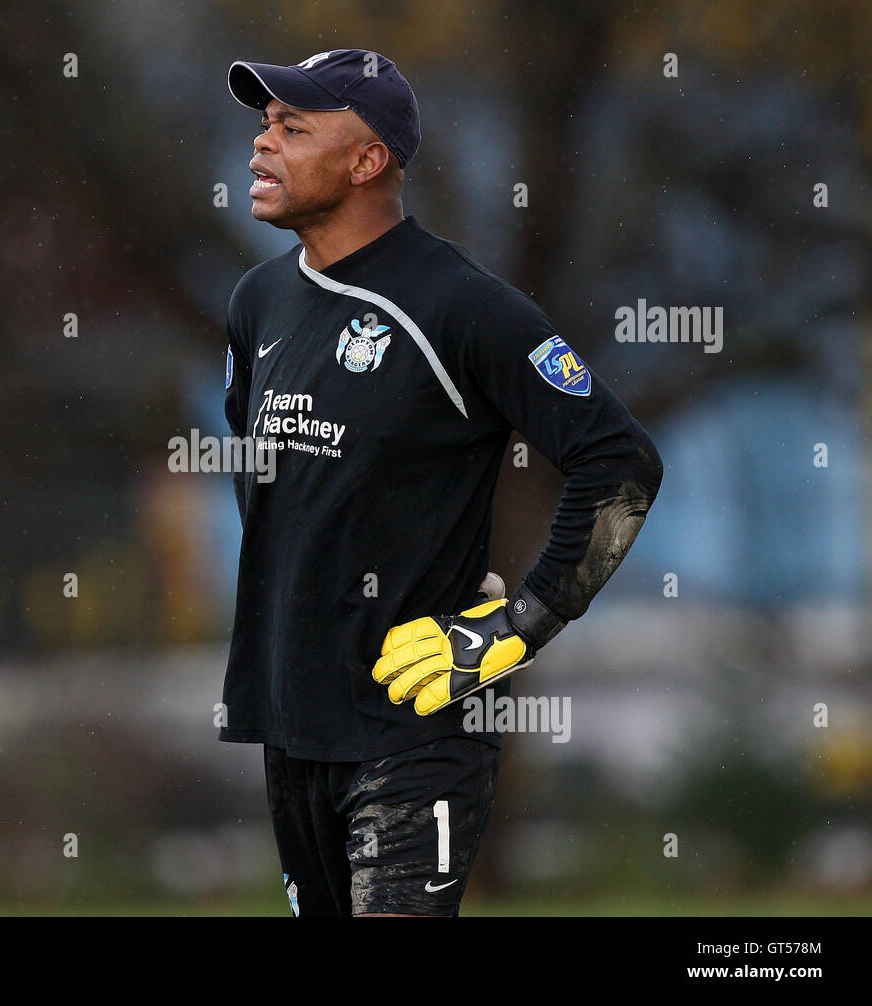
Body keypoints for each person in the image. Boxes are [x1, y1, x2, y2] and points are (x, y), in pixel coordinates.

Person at [219, 49, 663, 917]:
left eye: (293, 128)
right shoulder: (255, 302)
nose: (260, 146)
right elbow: (278, 487)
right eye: (264, 125)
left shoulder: (465, 306)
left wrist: (520, 621)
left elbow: (621, 465)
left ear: (367, 161)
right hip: (290, 721)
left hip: (415, 726)